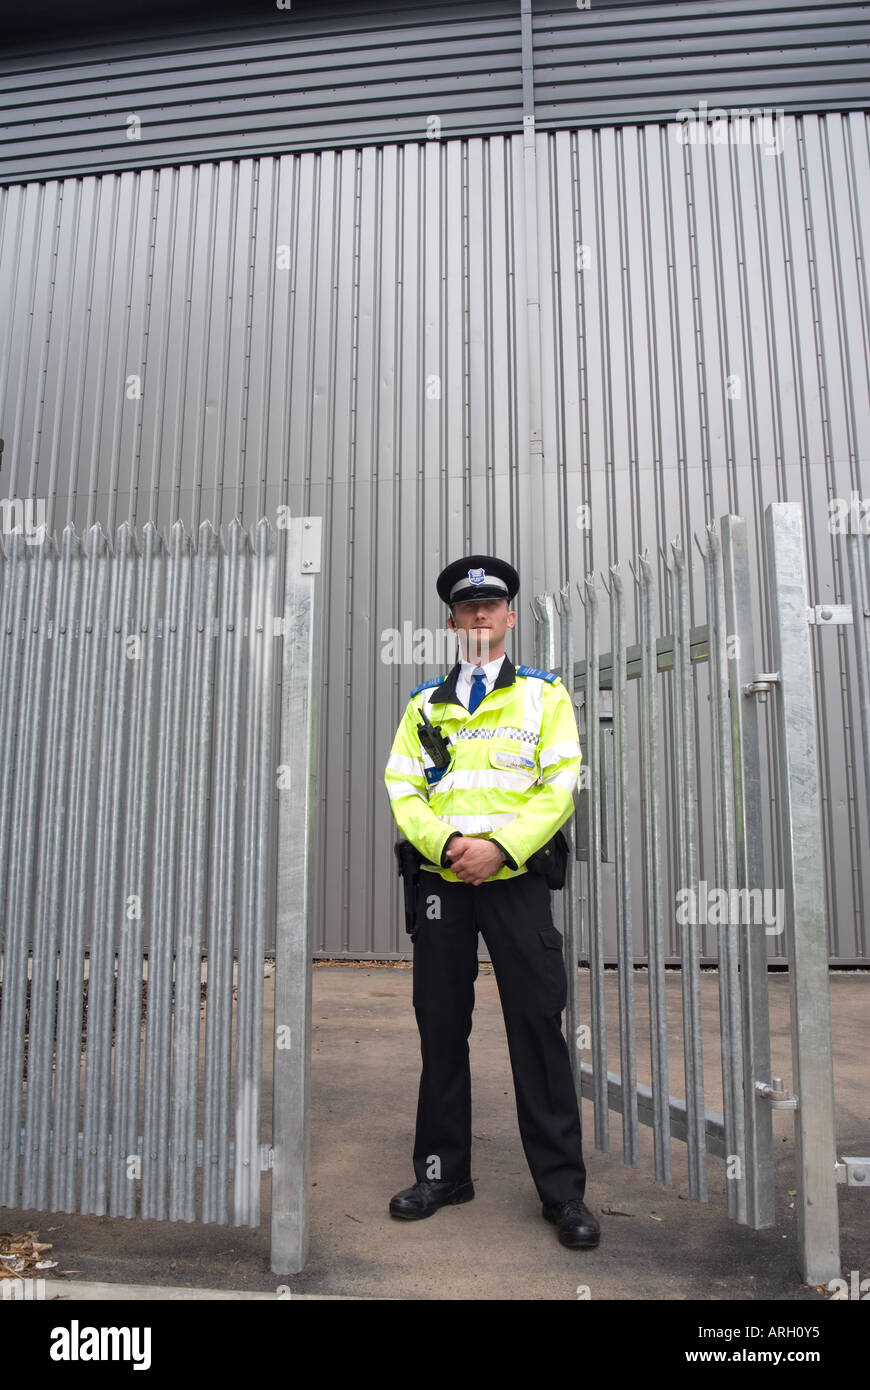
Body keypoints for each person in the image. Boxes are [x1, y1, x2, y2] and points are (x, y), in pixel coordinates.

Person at [383, 554, 600, 1250]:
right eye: (467, 608)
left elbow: (561, 784)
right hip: (444, 885)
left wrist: (501, 848)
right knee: (441, 1029)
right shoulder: (424, 704)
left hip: (517, 884)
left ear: (509, 616)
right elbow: (403, 787)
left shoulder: (545, 695)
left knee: (537, 1030)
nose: (481, 615)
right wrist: (449, 845)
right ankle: (444, 1175)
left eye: (493, 605)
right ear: (452, 621)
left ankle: (564, 1195)